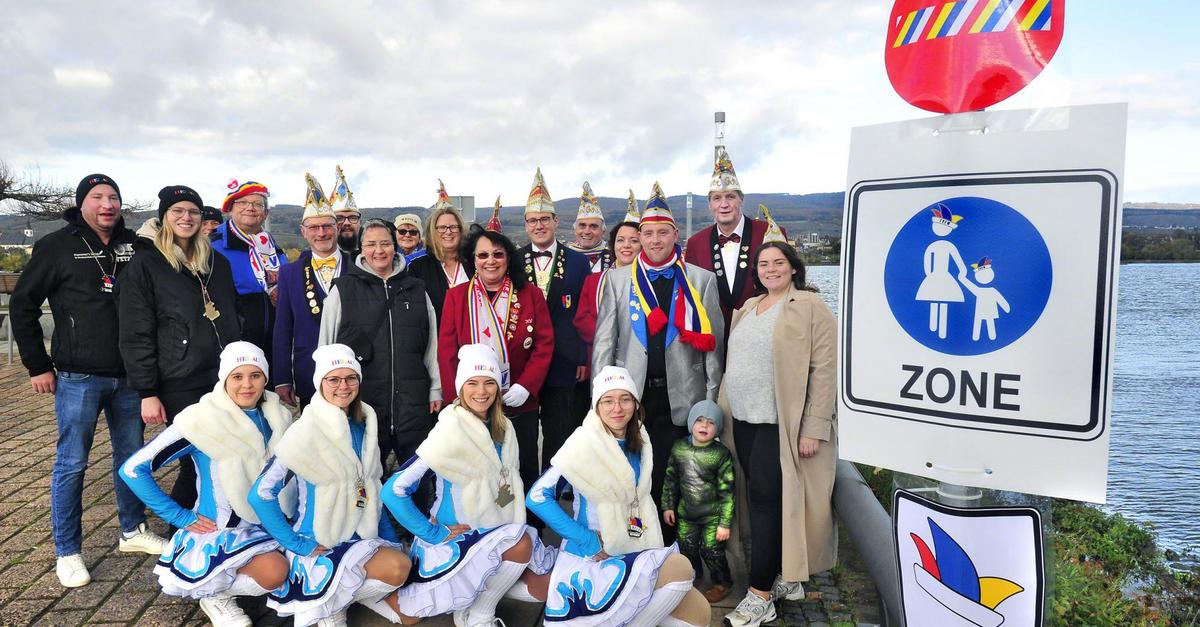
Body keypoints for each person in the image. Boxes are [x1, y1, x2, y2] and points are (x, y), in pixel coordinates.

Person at [10, 173, 166, 588]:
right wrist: (36, 364)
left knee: (132, 461)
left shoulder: (137, 247)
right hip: (78, 376)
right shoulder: (56, 247)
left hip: (132, 378)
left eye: (113, 197)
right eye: (97, 197)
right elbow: (23, 304)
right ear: (82, 203)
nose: (107, 205)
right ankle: (68, 550)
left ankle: (132, 530)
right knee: (72, 463)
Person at [119, 342, 293, 627]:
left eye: (255, 375)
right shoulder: (201, 420)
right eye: (237, 377)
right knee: (276, 572)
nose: (247, 385)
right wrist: (180, 517)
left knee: (308, 565)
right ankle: (214, 593)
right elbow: (133, 469)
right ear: (224, 378)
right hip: (222, 529)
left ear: (265, 377)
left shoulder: (277, 413)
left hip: (270, 521)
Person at [382, 344, 555, 625]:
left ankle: (473, 603)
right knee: (521, 543)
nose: (481, 391)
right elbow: (393, 491)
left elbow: (504, 488)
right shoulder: (450, 429)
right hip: (458, 539)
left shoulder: (503, 427)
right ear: (461, 388)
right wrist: (433, 533)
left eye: (489, 383)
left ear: (499, 388)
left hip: (495, 533)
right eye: (472, 383)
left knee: (546, 586)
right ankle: (479, 617)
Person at [527, 366, 711, 627]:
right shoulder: (584, 441)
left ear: (636, 404)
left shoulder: (640, 438)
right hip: (594, 557)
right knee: (680, 567)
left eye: (625, 399)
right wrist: (586, 539)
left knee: (698, 614)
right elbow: (536, 496)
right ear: (597, 406)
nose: (617, 408)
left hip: (634, 547)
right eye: (608, 400)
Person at [592, 182, 723, 545]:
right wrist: (599, 400)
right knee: (632, 477)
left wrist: (710, 403)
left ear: (675, 234)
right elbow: (605, 343)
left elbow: (713, 350)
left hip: (681, 399)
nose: (653, 240)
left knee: (679, 480)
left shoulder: (701, 281)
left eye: (662, 233)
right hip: (631, 399)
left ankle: (676, 552)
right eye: (647, 233)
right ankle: (637, 547)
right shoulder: (617, 281)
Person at [717, 234, 837, 627]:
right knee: (761, 500)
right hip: (744, 421)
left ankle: (760, 595)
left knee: (768, 503)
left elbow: (825, 370)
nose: (770, 269)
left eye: (778, 263)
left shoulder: (810, 306)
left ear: (794, 269)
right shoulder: (749, 306)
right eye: (763, 264)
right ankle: (787, 576)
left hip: (778, 423)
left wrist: (813, 427)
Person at [250, 344, 412, 626]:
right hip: (319, 543)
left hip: (360, 537)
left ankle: (339, 596)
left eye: (350, 378)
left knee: (402, 574)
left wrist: (391, 541)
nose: (343, 386)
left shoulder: (364, 424)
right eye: (333, 379)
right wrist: (297, 544)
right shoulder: (304, 431)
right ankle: (328, 601)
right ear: (320, 383)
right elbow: (261, 494)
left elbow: (370, 489)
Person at [119, 185, 241, 516]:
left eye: (193, 212)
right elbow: (136, 332)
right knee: (194, 458)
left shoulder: (215, 262)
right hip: (180, 378)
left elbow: (230, 313)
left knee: (225, 455)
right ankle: (182, 530)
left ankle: (223, 520)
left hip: (221, 377)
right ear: (165, 217)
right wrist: (148, 391)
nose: (186, 218)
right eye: (178, 211)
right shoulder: (146, 265)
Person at [438, 224, 553, 505]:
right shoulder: (456, 296)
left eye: (498, 255)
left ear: (508, 259)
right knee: (476, 469)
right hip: (472, 403)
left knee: (522, 465)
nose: (490, 261)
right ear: (473, 260)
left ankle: (529, 532)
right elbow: (446, 351)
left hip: (518, 402)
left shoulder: (530, 295)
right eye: (483, 255)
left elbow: (544, 344)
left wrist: (527, 385)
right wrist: (457, 398)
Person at [318, 218, 441, 472]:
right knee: (363, 476)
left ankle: (414, 513)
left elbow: (432, 347)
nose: (379, 250)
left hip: (413, 402)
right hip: (362, 402)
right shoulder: (343, 291)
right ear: (361, 248)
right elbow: (326, 348)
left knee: (416, 478)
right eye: (371, 244)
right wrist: (326, 396)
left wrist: (435, 389)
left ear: (394, 245)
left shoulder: (417, 290)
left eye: (385, 243)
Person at [517, 168, 591, 474]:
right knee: (523, 435)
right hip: (524, 362)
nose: (539, 225)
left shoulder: (578, 261)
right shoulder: (513, 260)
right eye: (533, 220)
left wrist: (584, 358)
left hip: (564, 362)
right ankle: (528, 494)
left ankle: (556, 490)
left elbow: (585, 314)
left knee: (560, 432)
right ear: (526, 225)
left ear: (556, 222)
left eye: (545, 219)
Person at [684, 147, 784, 334]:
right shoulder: (696, 243)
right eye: (717, 198)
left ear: (741, 200)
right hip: (713, 339)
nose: (724, 204)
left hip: (763, 333)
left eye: (730, 197)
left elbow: (789, 286)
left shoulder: (769, 233)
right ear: (710, 204)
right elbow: (692, 295)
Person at [273, 174, 347, 408]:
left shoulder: (358, 268)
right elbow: (283, 329)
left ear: (337, 228)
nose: (321, 233)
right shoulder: (290, 273)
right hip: (309, 372)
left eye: (327, 226)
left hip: (353, 374)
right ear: (303, 231)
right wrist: (283, 378)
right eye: (314, 227)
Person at [661, 400, 735, 603]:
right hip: (686, 513)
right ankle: (693, 575)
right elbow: (670, 479)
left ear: (718, 428)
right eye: (700, 420)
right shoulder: (679, 448)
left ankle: (722, 582)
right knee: (686, 546)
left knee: (712, 550)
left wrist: (724, 523)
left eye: (711, 423)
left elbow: (727, 491)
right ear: (691, 423)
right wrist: (668, 505)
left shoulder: (721, 454)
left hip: (713, 516)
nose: (704, 426)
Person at [210, 178, 281, 366]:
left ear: (266, 213)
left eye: (258, 204)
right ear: (230, 209)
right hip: (233, 347)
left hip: (274, 343)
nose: (250, 208)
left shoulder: (272, 247)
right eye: (242, 202)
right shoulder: (213, 247)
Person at [573, 190, 642, 351]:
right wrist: (609, 338)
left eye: (634, 241)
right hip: (598, 349)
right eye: (620, 240)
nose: (626, 245)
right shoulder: (591, 278)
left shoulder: (652, 276)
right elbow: (582, 318)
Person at [407, 181, 470, 324]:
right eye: (441, 227)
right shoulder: (418, 267)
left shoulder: (473, 263)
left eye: (453, 227)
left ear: (461, 230)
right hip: (437, 339)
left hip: (474, 338)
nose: (448, 232)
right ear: (432, 231)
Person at [565, 181, 613, 272]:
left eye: (593, 226)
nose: (587, 231)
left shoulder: (614, 256)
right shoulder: (563, 255)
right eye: (582, 226)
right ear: (575, 229)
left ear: (603, 231)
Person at [329, 164, 363, 259]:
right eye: (339, 218)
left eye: (353, 218)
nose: (347, 223)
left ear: (360, 222)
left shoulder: (374, 257)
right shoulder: (314, 259)